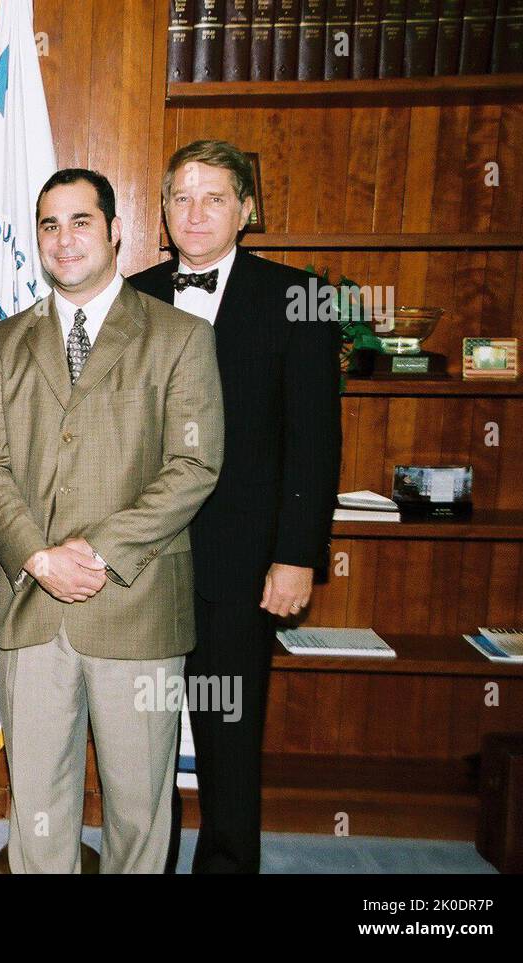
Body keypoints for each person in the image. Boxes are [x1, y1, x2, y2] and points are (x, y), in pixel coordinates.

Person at [0, 168, 224, 873]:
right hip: (33, 603)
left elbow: (193, 467)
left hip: (136, 608)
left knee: (138, 809)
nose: (64, 238)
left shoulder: (179, 337)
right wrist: (39, 557)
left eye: (81, 221)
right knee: (38, 805)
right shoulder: (0, 343)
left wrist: (96, 551)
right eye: (49, 224)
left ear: (115, 231)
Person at [130, 140, 340, 874]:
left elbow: (314, 442)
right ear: (161, 210)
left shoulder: (297, 297)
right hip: (143, 564)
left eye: (214, 197)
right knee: (142, 732)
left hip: (245, 564)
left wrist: (295, 555)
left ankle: (224, 863)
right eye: (181, 197)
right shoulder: (133, 295)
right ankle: (148, 857)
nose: (195, 212)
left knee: (227, 728)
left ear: (246, 210)